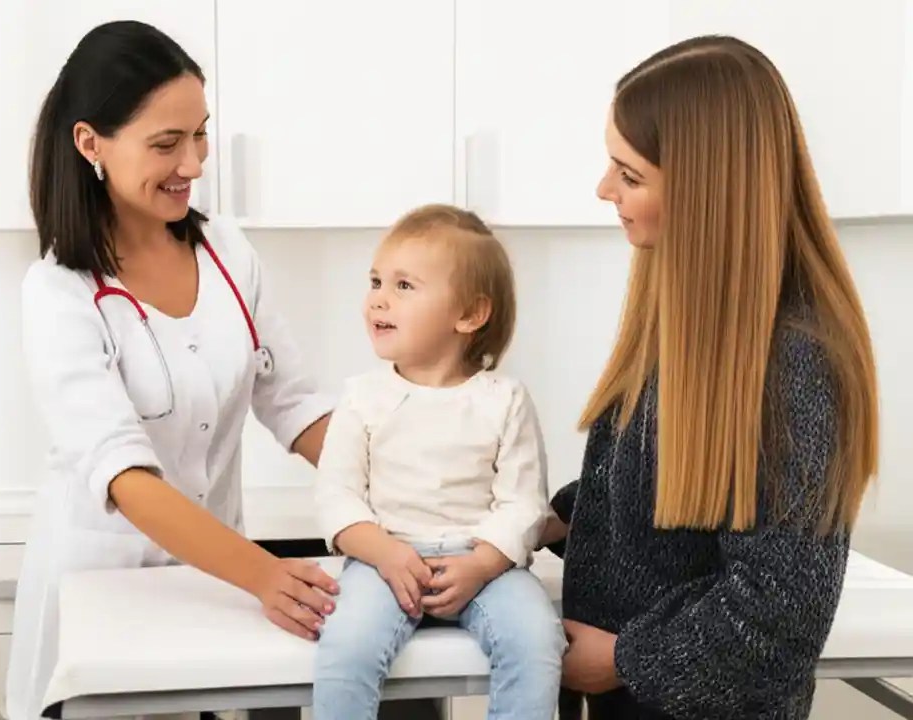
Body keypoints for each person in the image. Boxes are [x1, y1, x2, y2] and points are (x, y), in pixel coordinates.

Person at [9, 20, 337, 720]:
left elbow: (296, 405)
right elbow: (123, 477)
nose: (193, 163)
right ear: (90, 143)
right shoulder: (60, 291)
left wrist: (405, 488)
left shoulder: (226, 250)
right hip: (105, 600)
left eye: (200, 134)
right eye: (166, 143)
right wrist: (264, 575)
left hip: (211, 591)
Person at [545, 35, 881, 719]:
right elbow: (672, 498)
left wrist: (621, 662)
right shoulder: (690, 326)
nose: (604, 189)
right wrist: (542, 519)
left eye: (630, 175)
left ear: (704, 191)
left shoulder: (796, 362)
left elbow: (778, 616)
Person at [311, 204, 565, 720]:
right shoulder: (361, 398)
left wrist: (481, 565)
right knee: (345, 650)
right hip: (384, 561)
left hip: (484, 563)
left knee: (538, 643)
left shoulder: (505, 399)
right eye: (376, 280)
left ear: (470, 314)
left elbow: (522, 503)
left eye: (404, 286)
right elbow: (336, 497)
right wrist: (383, 552)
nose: (378, 299)